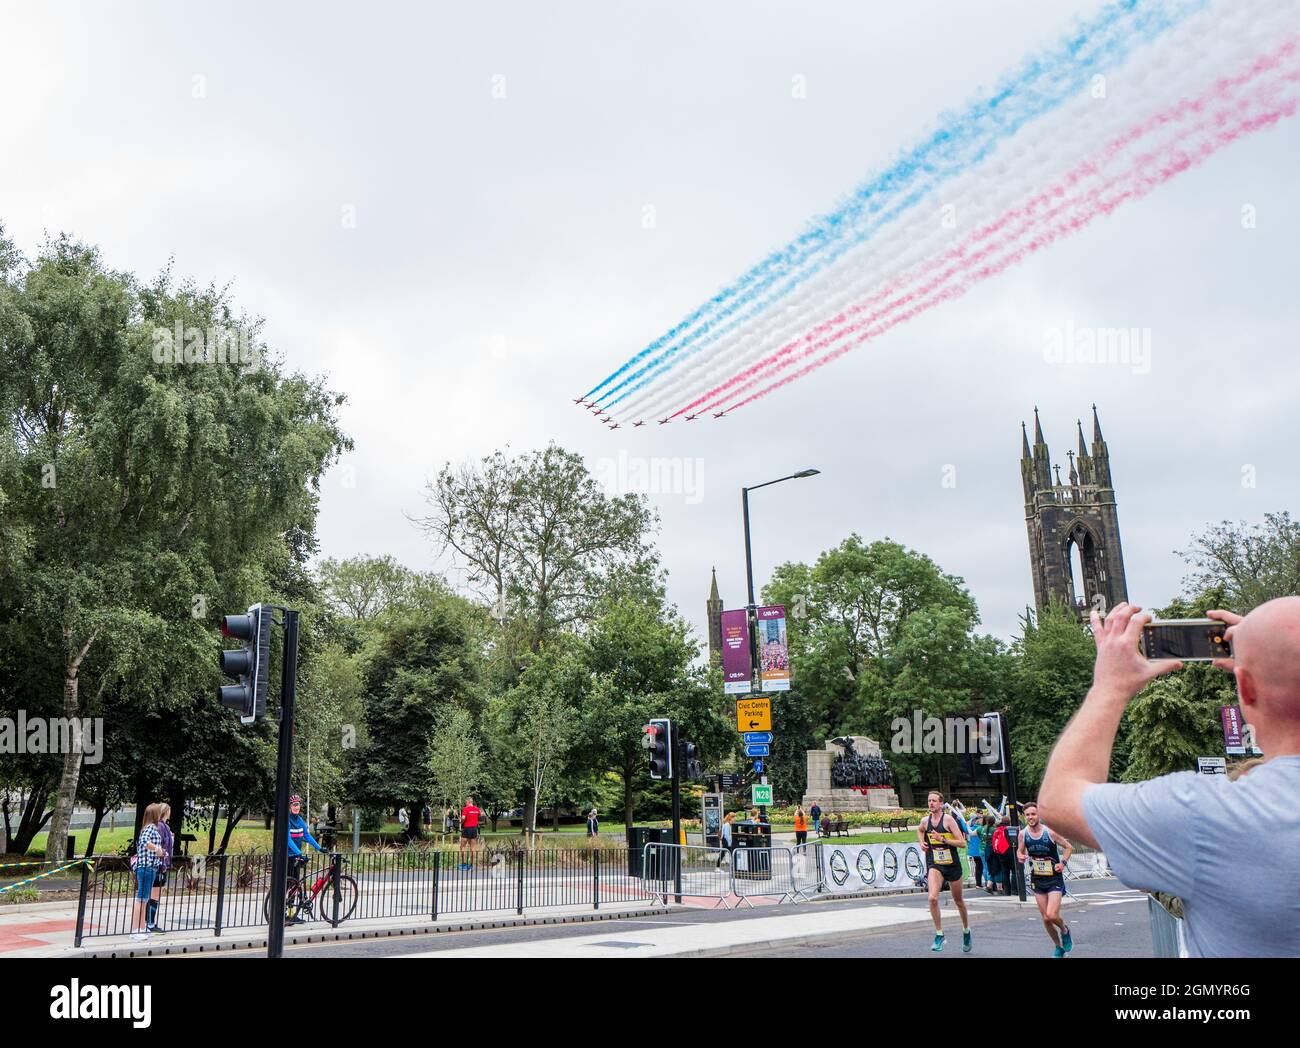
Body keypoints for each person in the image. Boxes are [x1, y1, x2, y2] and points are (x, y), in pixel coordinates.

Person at [1040, 599, 1300, 957]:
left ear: (1245, 686)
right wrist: (1275, 650)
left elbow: (1058, 798)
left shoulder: (1208, 813)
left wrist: (1109, 686)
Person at [1016, 801, 1073, 956]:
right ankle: (1058, 947)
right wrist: (1020, 856)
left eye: (1033, 814)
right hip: (1037, 879)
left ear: (1039, 815)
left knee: (1052, 915)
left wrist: (1063, 863)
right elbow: (1019, 851)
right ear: (1024, 816)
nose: (1030, 817)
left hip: (1054, 878)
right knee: (1046, 919)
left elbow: (1068, 847)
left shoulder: (1050, 832)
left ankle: (1064, 929)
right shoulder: (1023, 834)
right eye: (1027, 815)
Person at [917, 790, 971, 953]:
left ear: (941, 803)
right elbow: (919, 830)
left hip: (952, 865)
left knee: (958, 900)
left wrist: (943, 840)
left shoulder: (948, 820)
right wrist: (922, 843)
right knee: (932, 898)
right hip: (936, 864)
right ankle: (939, 934)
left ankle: (966, 930)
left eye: (934, 801)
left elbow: (962, 843)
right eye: (929, 801)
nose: (931, 803)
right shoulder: (925, 821)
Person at [131, 806, 167, 941]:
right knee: (141, 899)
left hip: (149, 866)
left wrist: (161, 852)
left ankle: (141, 927)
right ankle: (135, 930)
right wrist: (158, 849)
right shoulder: (151, 827)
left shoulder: (148, 827)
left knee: (144, 899)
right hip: (146, 867)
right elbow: (145, 842)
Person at [146, 802, 174, 933]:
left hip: (161, 864)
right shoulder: (161, 827)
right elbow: (159, 845)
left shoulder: (163, 826)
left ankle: (148, 922)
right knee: (154, 894)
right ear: (166, 812)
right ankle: (150, 924)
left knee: (154, 894)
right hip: (160, 865)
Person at [459, 795, 482, 869]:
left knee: (462, 846)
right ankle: (471, 865)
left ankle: (464, 864)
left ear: (468, 802)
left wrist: (461, 822)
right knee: (473, 848)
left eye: (466, 802)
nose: (465, 804)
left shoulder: (465, 809)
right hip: (474, 829)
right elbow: (480, 814)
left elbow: (463, 818)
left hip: (467, 829)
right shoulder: (477, 809)